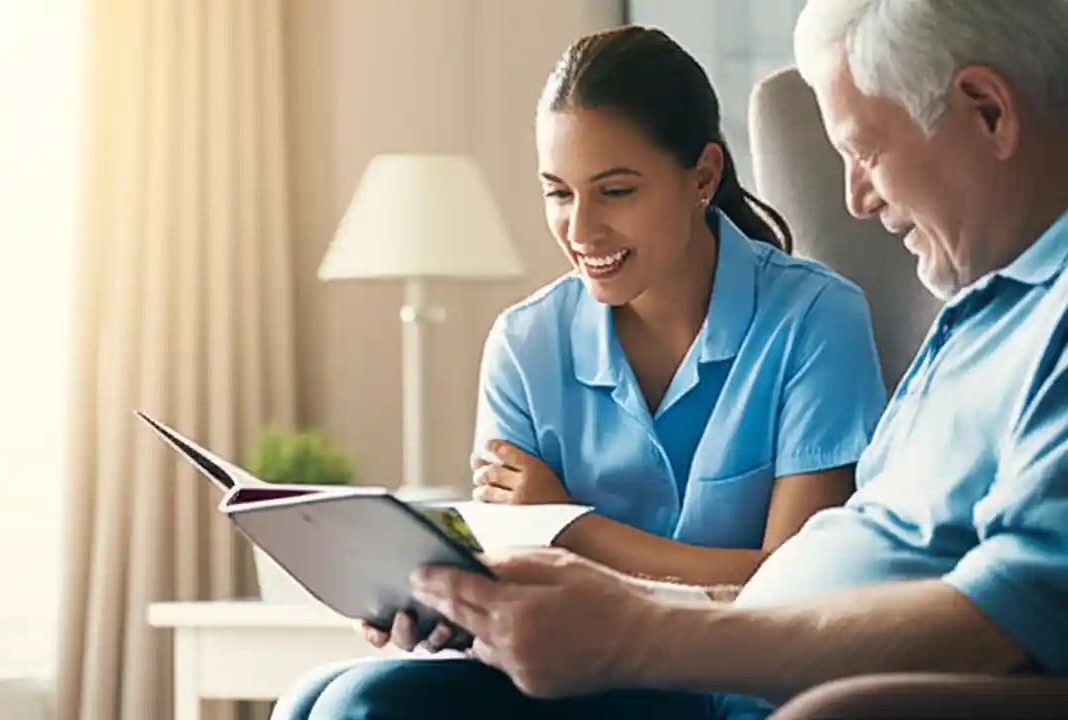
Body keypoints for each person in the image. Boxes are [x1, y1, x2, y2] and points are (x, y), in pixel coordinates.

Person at [391, 1, 1068, 718]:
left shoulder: (1000, 321)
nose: (855, 202)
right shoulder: (980, 313)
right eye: (558, 192)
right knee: (347, 696)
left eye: (866, 153)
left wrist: (637, 631)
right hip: (725, 659)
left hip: (775, 690)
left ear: (988, 113)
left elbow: (1015, 612)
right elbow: (860, 551)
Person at [274, 21, 887, 720]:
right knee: (318, 700)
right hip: (575, 680)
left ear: (704, 176)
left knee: (357, 707)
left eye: (615, 191)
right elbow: (514, 573)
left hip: (738, 680)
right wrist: (441, 601)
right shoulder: (525, 343)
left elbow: (798, 583)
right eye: (559, 193)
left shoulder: (815, 319)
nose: (581, 230)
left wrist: (570, 528)